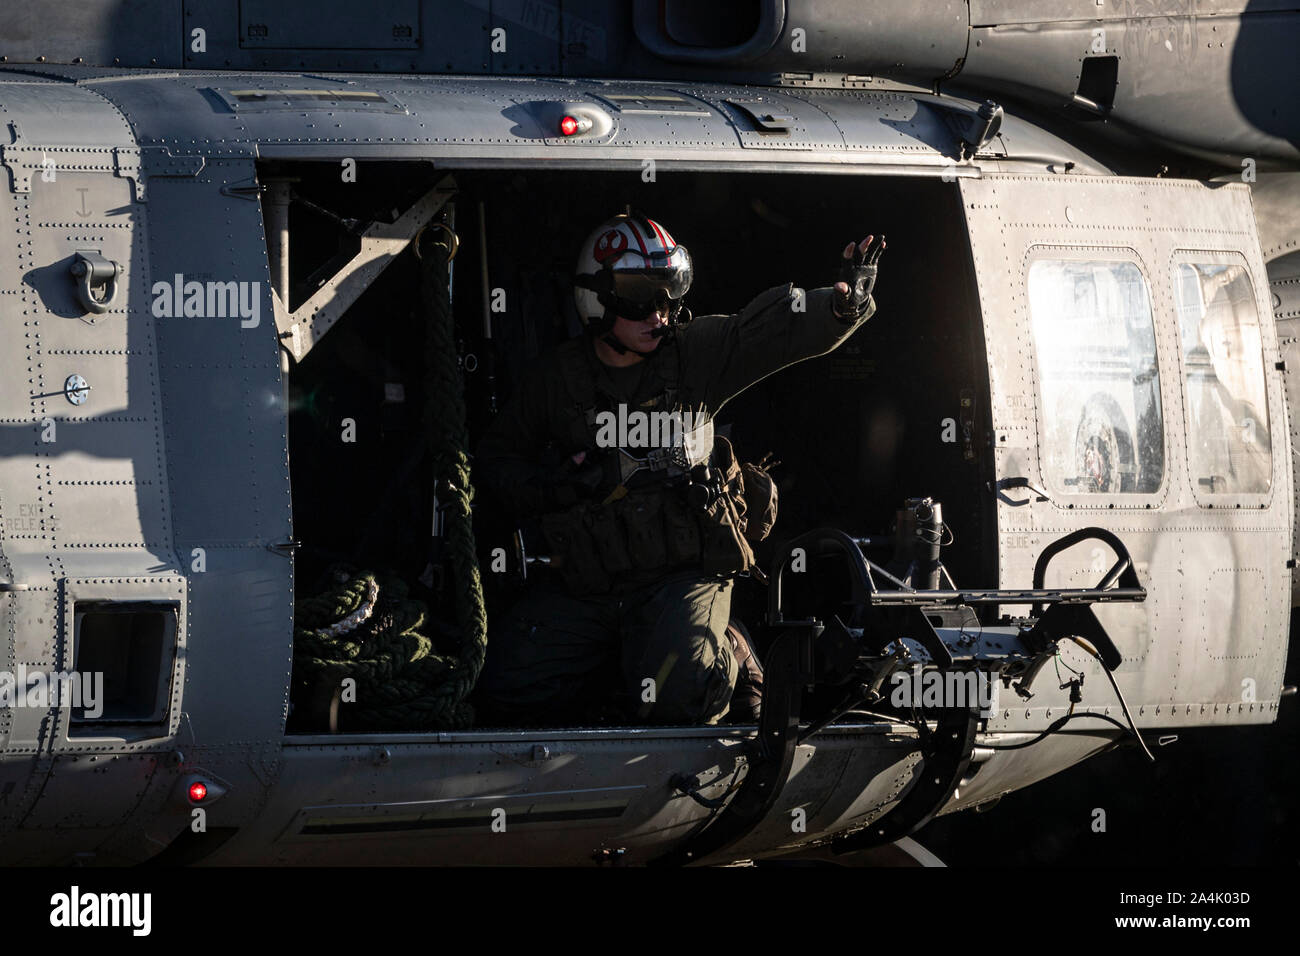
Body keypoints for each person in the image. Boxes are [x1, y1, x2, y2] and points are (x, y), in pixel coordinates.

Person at [473, 212, 885, 726]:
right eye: (642, 298)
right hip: (590, 583)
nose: (660, 314)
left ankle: (730, 650)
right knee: (505, 688)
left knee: (682, 696)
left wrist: (844, 304)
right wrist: (553, 487)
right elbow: (495, 461)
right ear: (597, 299)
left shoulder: (694, 355)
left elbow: (771, 333)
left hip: (682, 574)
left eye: (669, 296)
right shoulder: (558, 380)